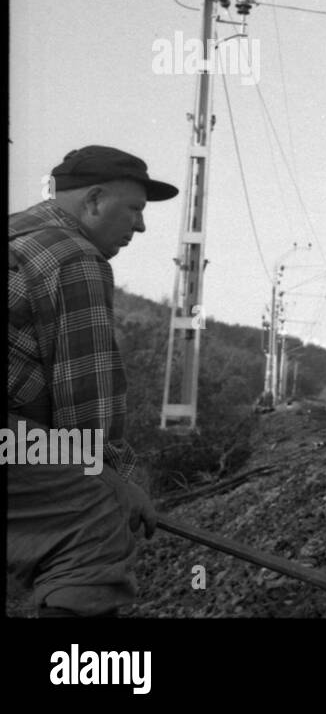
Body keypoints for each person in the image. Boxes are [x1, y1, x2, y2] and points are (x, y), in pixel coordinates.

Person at [8, 145, 178, 615]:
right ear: (96, 201)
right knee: (96, 516)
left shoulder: (18, 235)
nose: (140, 227)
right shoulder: (72, 255)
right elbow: (85, 405)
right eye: (135, 210)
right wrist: (115, 482)